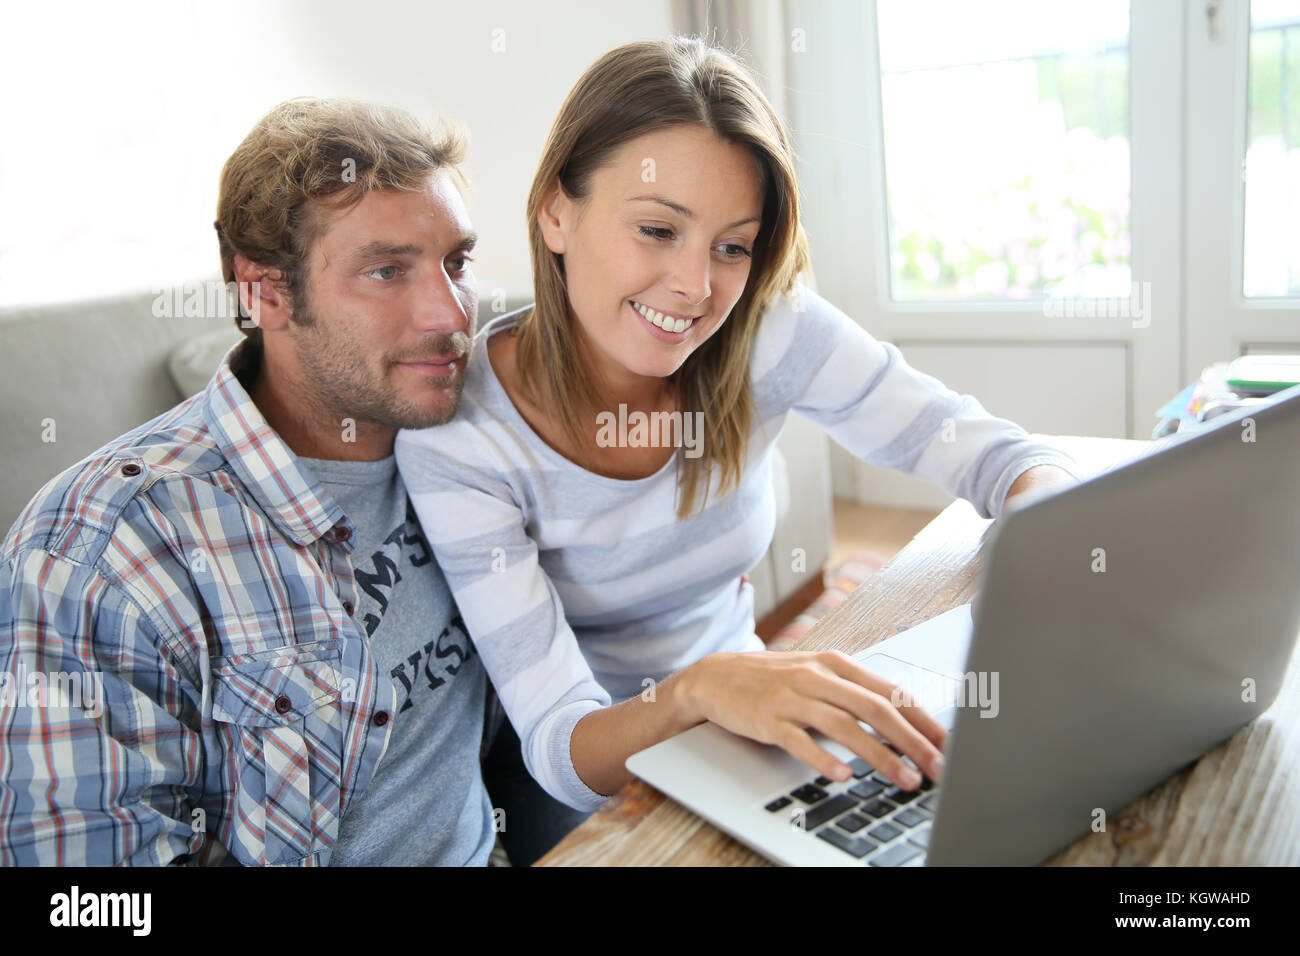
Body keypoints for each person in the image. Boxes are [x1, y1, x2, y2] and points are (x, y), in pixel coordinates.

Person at [393, 37, 1081, 854]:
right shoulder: (460, 438)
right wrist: (695, 693)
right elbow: (559, 746)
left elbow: (992, 451)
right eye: (657, 229)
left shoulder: (768, 330)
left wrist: (1050, 522)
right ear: (555, 211)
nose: (696, 287)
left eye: (732, 246)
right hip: (606, 764)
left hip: (752, 721)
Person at [0, 98, 499, 865]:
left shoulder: (475, 442)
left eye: (456, 263)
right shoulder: (95, 550)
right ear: (264, 291)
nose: (450, 311)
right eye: (387, 270)